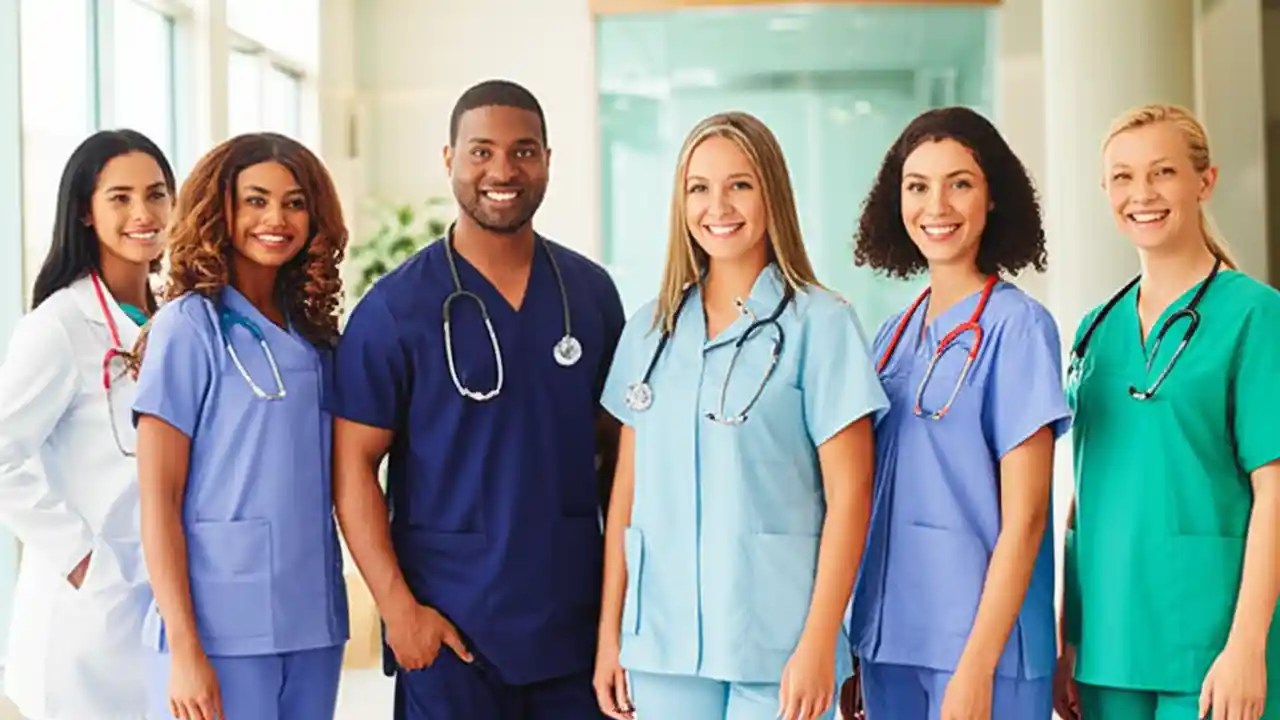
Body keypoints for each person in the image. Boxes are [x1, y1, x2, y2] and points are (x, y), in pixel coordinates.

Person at [329, 79, 626, 719]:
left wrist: (621, 614)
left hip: (573, 637)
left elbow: (619, 459)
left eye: (523, 152)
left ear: (548, 159)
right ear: (449, 160)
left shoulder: (590, 295)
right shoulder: (395, 309)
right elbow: (352, 466)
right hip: (450, 638)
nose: (502, 170)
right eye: (481, 151)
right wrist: (397, 611)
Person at [592, 110, 885, 720]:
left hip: (778, 644)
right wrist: (610, 635)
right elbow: (626, 494)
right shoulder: (650, 329)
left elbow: (852, 495)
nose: (717, 206)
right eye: (699, 187)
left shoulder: (822, 325)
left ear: (771, 193)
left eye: (739, 184)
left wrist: (820, 644)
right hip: (662, 642)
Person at [845, 106, 1071, 720]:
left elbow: (1025, 519)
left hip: (979, 651)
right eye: (917, 186)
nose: (936, 205)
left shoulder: (1018, 328)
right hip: (890, 641)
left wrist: (975, 667)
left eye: (960, 183)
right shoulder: (892, 335)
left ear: (993, 196)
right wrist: (856, 648)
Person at [1055, 104, 1280, 720]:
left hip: (1210, 648)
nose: (1142, 194)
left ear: (1203, 183)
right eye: (1122, 177)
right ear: (1106, 191)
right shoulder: (1095, 330)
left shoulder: (1257, 316)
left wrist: (1246, 646)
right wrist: (1069, 637)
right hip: (1107, 643)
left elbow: (1276, 490)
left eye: (1163, 173)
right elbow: (1086, 490)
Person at [131, 132, 351, 720]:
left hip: (313, 625)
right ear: (219, 208)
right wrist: (184, 649)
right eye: (255, 200)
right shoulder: (189, 327)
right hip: (219, 630)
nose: (276, 218)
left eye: (295, 202)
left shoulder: (318, 340)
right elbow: (157, 497)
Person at [0, 129, 174, 720]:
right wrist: (83, 562)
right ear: (84, 212)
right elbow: (3, 456)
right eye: (120, 198)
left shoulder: (175, 319)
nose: (143, 214)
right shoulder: (59, 324)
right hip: (88, 606)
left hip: (160, 596)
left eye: (156, 194)